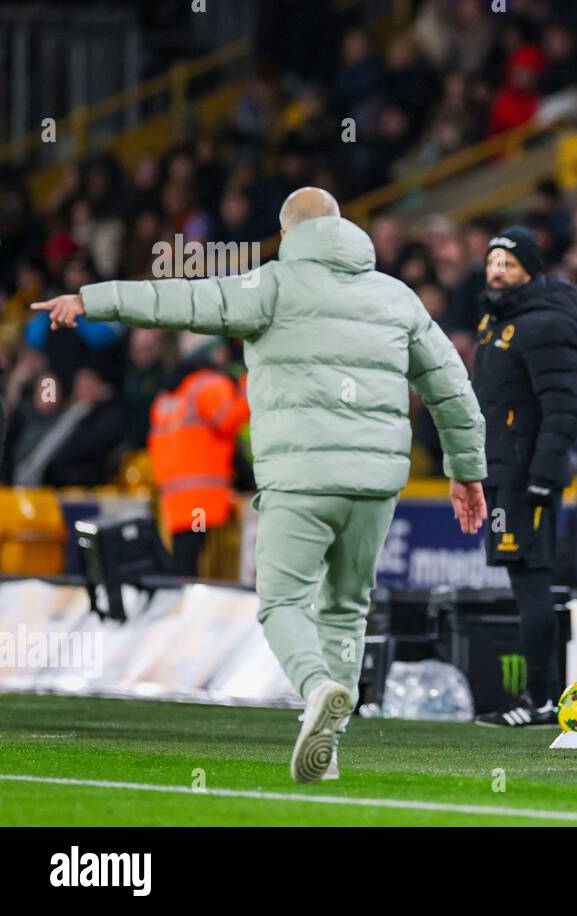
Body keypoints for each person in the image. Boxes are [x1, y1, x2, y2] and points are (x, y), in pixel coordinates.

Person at [32, 187, 488, 784]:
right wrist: (467, 471)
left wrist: (91, 300)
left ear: (287, 230)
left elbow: (182, 300)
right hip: (376, 486)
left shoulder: (270, 285)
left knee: (280, 602)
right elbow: (451, 386)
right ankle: (333, 737)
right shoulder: (396, 296)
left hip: (301, 481)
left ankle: (317, 686)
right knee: (347, 606)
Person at [472, 225, 577, 727]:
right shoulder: (493, 322)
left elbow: (563, 408)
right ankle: (540, 697)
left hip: (525, 476)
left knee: (534, 580)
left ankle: (540, 699)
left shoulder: (544, 324)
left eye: (509, 263)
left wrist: (543, 475)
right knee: (524, 579)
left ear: (530, 271)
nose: (497, 269)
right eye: (492, 260)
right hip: (502, 472)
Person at [148, 338, 250, 576]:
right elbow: (230, 418)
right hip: (201, 497)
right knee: (198, 564)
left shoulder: (170, 396)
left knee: (185, 560)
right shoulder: (207, 385)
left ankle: (181, 605)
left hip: (177, 498)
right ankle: (190, 609)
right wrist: (250, 383)